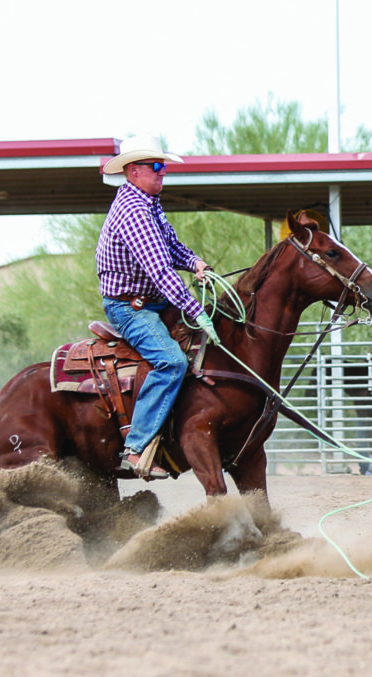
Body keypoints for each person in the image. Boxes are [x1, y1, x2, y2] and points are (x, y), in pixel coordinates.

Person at [97, 135, 219, 479]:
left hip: (156, 302)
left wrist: (196, 263)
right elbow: (160, 270)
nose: (163, 172)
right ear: (133, 171)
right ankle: (136, 448)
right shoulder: (133, 211)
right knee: (171, 360)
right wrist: (195, 309)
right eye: (156, 166)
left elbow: (172, 248)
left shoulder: (150, 202)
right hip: (131, 308)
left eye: (163, 166)